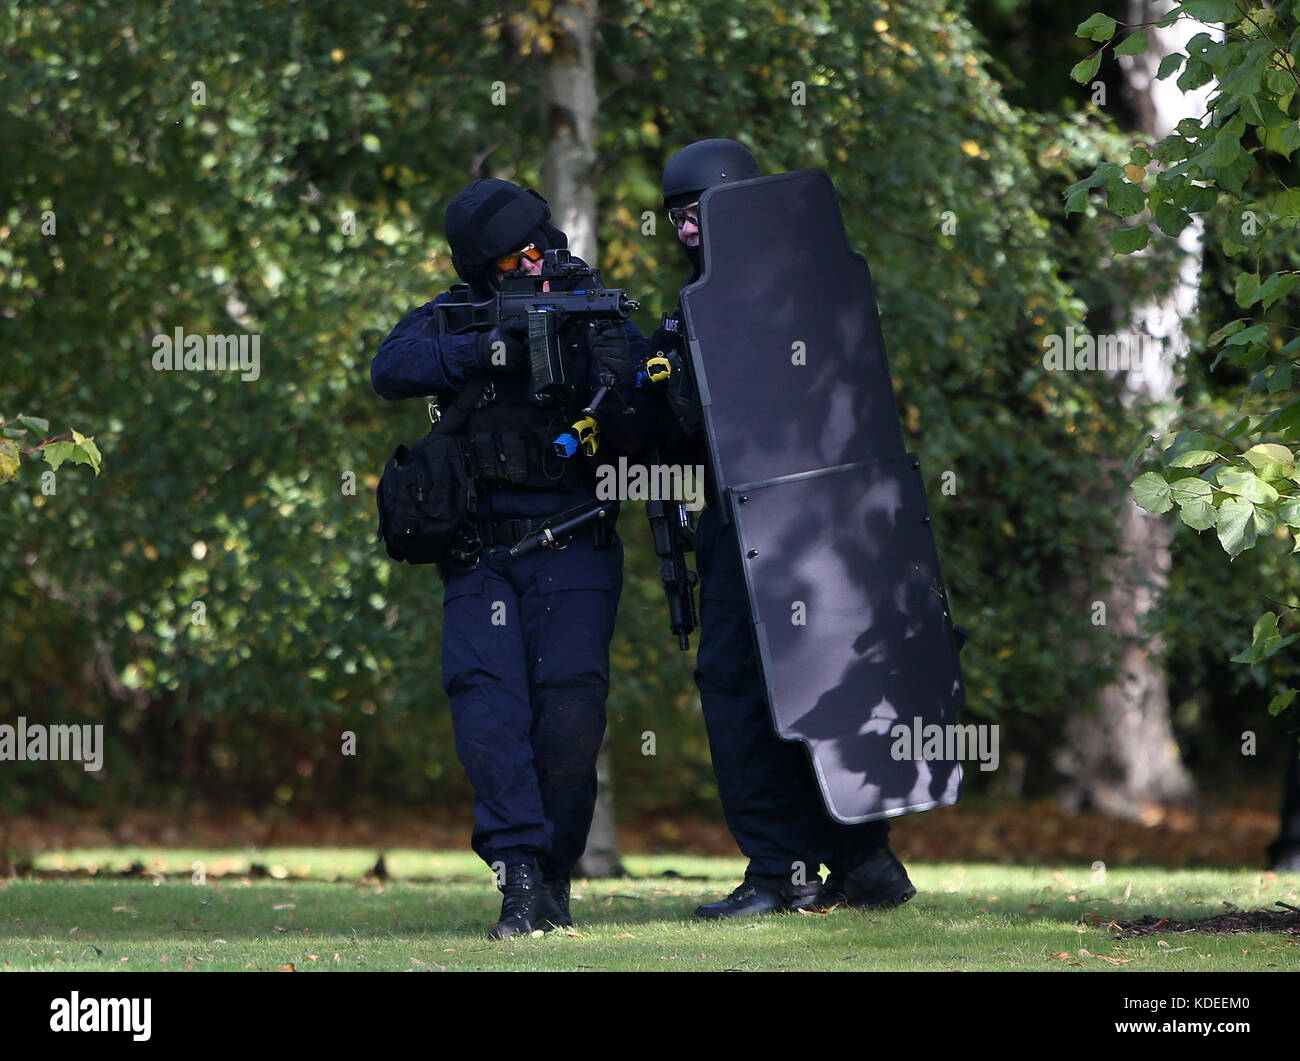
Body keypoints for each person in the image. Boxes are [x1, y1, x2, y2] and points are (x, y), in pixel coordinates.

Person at [647, 139, 918, 918]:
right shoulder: (695, 304)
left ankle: (828, 863)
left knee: (827, 682)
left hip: (813, 525)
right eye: (675, 217)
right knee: (746, 689)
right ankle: (816, 862)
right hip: (745, 522)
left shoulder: (803, 290)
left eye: (698, 212)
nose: (685, 229)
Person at [371, 178, 648, 938]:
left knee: (569, 720)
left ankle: (552, 877)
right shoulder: (457, 313)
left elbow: (646, 420)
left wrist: (611, 378)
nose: (527, 268)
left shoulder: (597, 311)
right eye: (507, 262)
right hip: (480, 553)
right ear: (482, 272)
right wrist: (485, 349)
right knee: (489, 717)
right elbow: (390, 367)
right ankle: (518, 878)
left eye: (534, 252)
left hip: (574, 546)